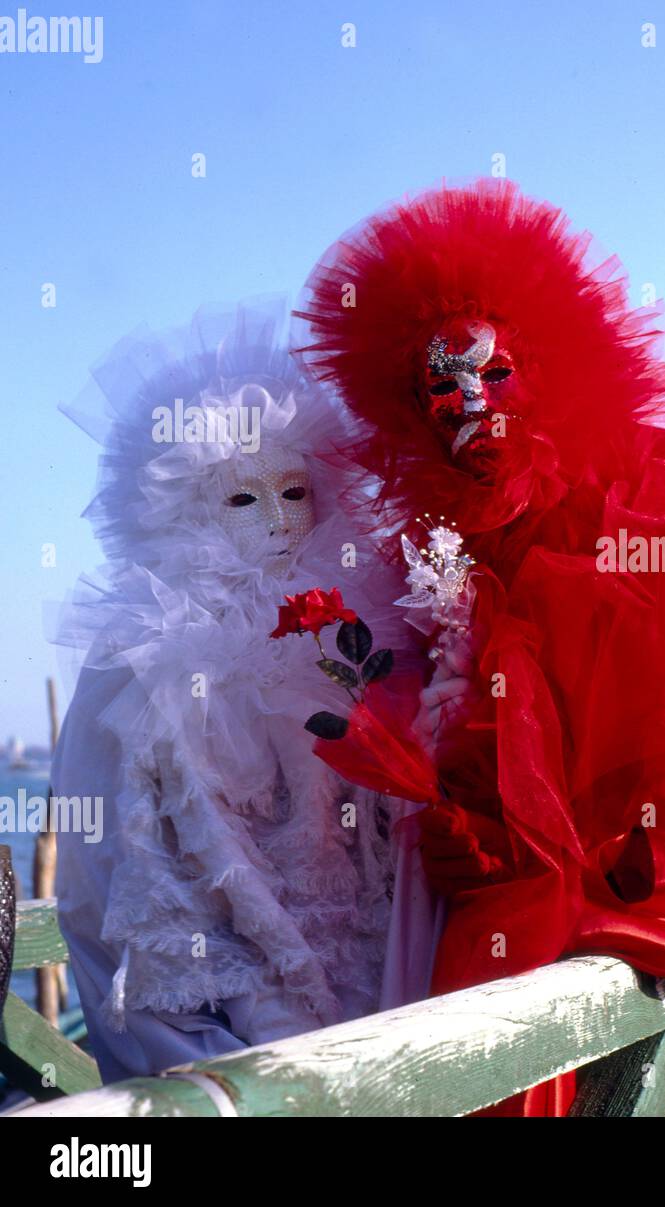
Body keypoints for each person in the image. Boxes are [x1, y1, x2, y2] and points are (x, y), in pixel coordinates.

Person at [293, 181, 665, 1039]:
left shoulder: (659, 497)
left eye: (493, 371)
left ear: (543, 369)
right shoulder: (448, 549)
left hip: (636, 913)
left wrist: (616, 865)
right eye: (443, 389)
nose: (475, 404)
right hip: (508, 909)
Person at [51, 300, 416, 1082]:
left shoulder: (362, 629)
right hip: (231, 1022)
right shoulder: (140, 654)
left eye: (295, 492)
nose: (280, 524)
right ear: (187, 511)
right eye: (243, 498)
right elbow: (112, 871)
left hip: (378, 993)